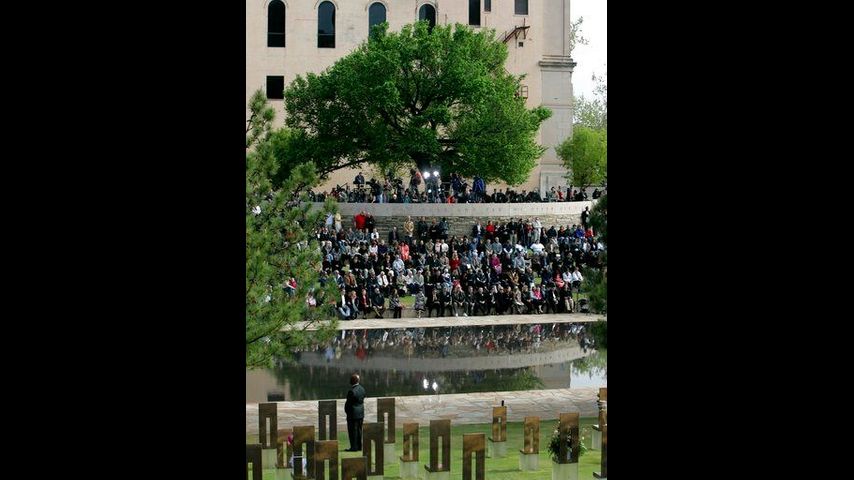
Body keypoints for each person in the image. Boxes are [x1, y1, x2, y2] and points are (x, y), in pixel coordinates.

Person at [345, 373, 366, 451]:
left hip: (353, 414)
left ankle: (354, 447)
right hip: (360, 413)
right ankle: (359, 446)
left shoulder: (352, 391)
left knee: (353, 431)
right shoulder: (362, 389)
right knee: (359, 430)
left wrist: (347, 411)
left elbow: (348, 404)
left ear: (352, 381)